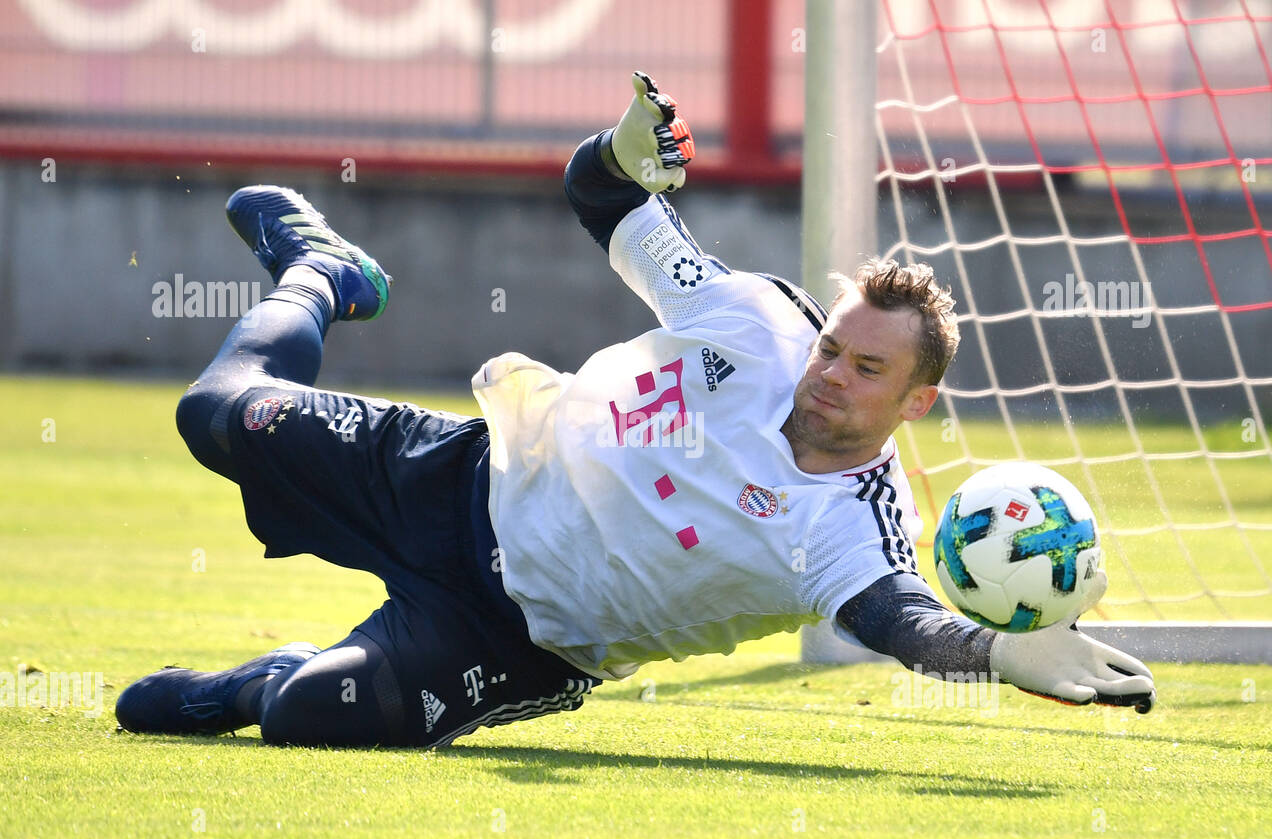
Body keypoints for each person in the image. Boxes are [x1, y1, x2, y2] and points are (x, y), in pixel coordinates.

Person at [116, 72, 1155, 748]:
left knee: (308, 716)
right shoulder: (753, 319)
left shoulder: (854, 521)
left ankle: (256, 684)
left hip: (522, 633)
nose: (828, 370)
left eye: (864, 369)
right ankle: (320, 270)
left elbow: (896, 617)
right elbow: (599, 198)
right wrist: (618, 156)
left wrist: (996, 651)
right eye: (832, 345)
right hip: (464, 476)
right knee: (216, 414)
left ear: (916, 403)